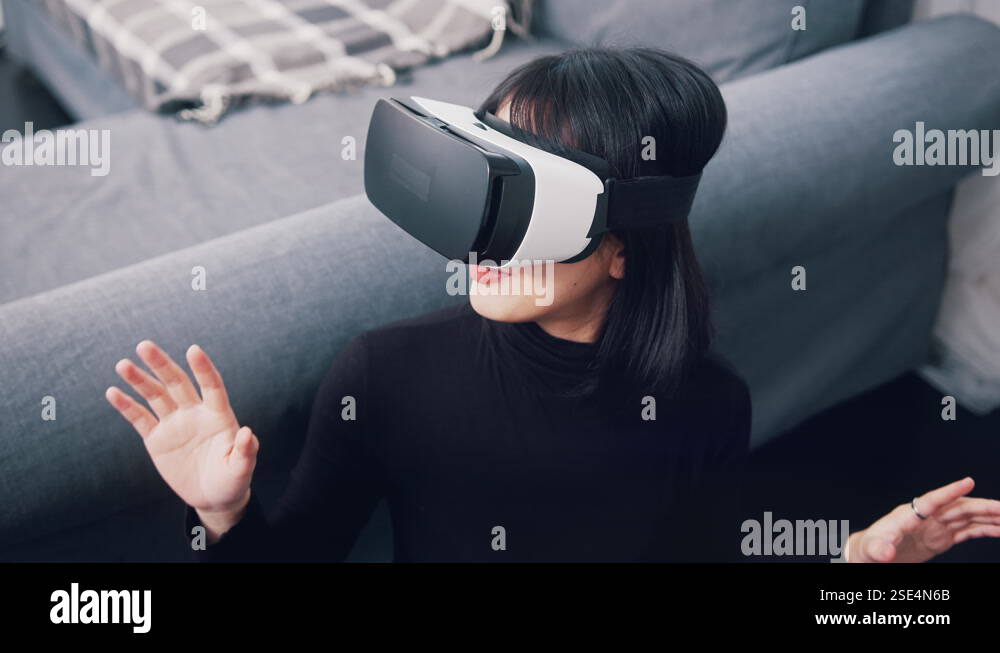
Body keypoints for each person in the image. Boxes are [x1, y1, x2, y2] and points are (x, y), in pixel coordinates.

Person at [104, 48, 1000, 563]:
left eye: (526, 199)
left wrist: (852, 572)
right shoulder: (384, 375)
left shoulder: (705, 401)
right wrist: (222, 513)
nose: (483, 239)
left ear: (621, 243)